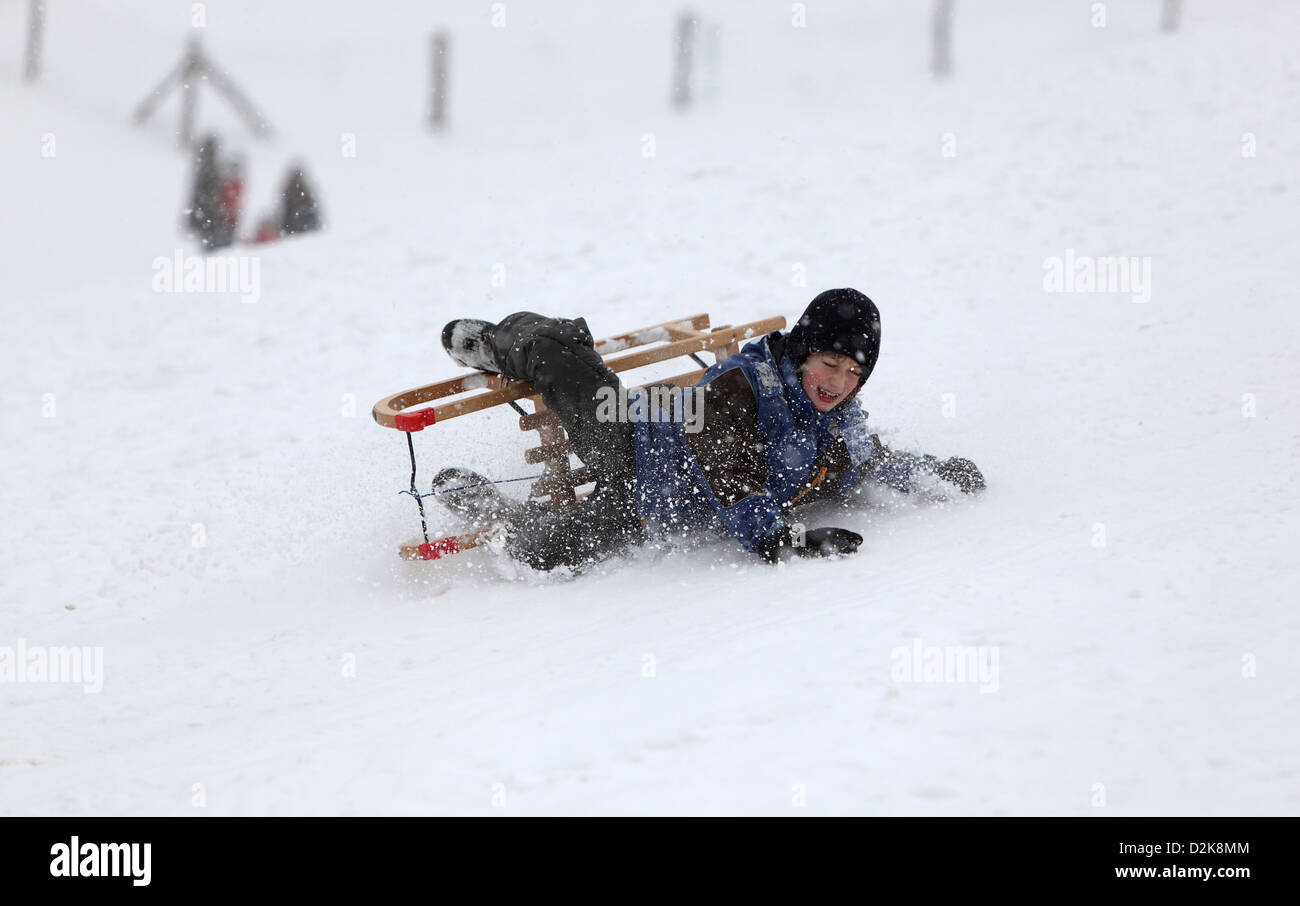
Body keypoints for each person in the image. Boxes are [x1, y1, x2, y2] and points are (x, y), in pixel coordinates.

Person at [436, 288, 985, 571]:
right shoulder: (743, 384)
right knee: (562, 361)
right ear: (800, 353)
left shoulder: (837, 418)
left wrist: (930, 473)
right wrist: (779, 538)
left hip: (651, 505)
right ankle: (499, 343)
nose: (839, 383)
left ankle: (495, 512)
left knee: (546, 553)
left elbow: (869, 458)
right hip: (633, 440)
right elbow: (731, 470)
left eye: (853, 373)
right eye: (829, 364)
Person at [279, 164, 321, 236]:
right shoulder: (305, 192)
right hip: (298, 229)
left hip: (296, 229)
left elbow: (284, 214)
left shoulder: (290, 193)